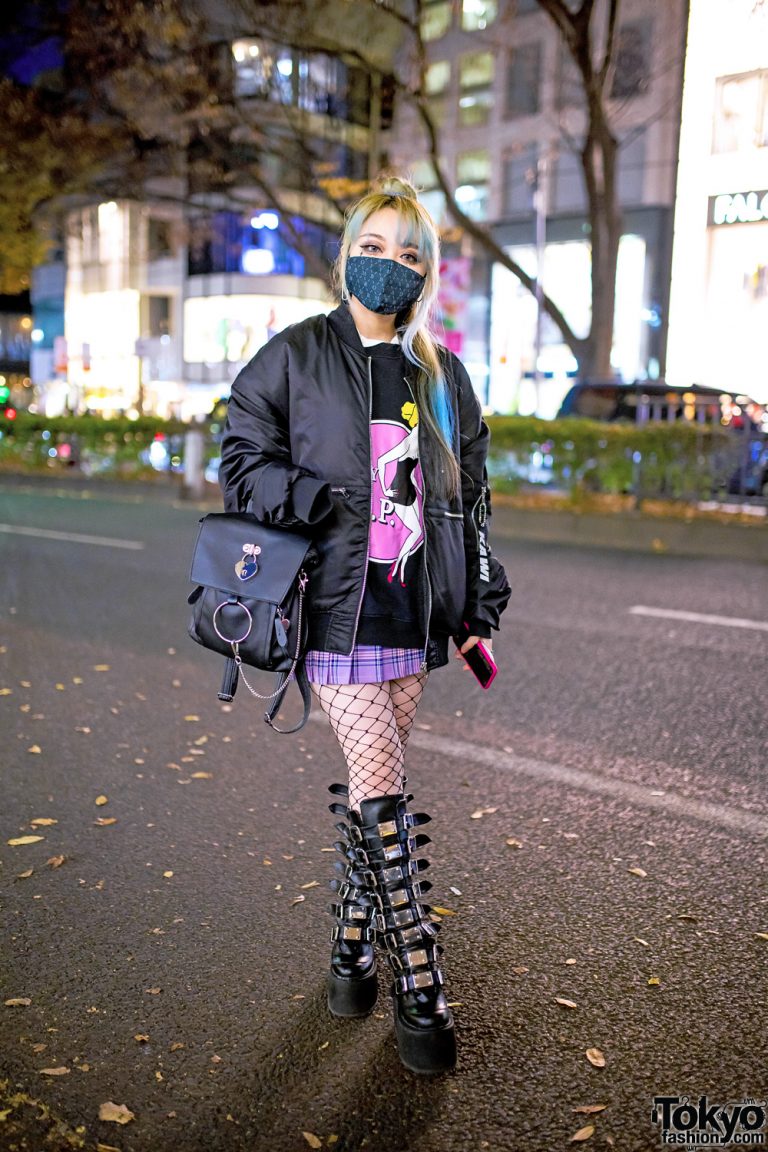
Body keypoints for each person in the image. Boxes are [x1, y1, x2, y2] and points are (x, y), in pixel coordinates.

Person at [219, 175, 510, 1075]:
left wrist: (476, 610)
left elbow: (473, 502)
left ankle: (351, 949)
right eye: (376, 246)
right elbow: (241, 457)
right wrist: (312, 498)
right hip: (335, 606)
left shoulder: (442, 375)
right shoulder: (297, 354)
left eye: (411, 253)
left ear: (426, 274)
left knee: (373, 785)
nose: (393, 264)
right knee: (380, 782)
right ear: (349, 252)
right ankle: (417, 971)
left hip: (413, 610)